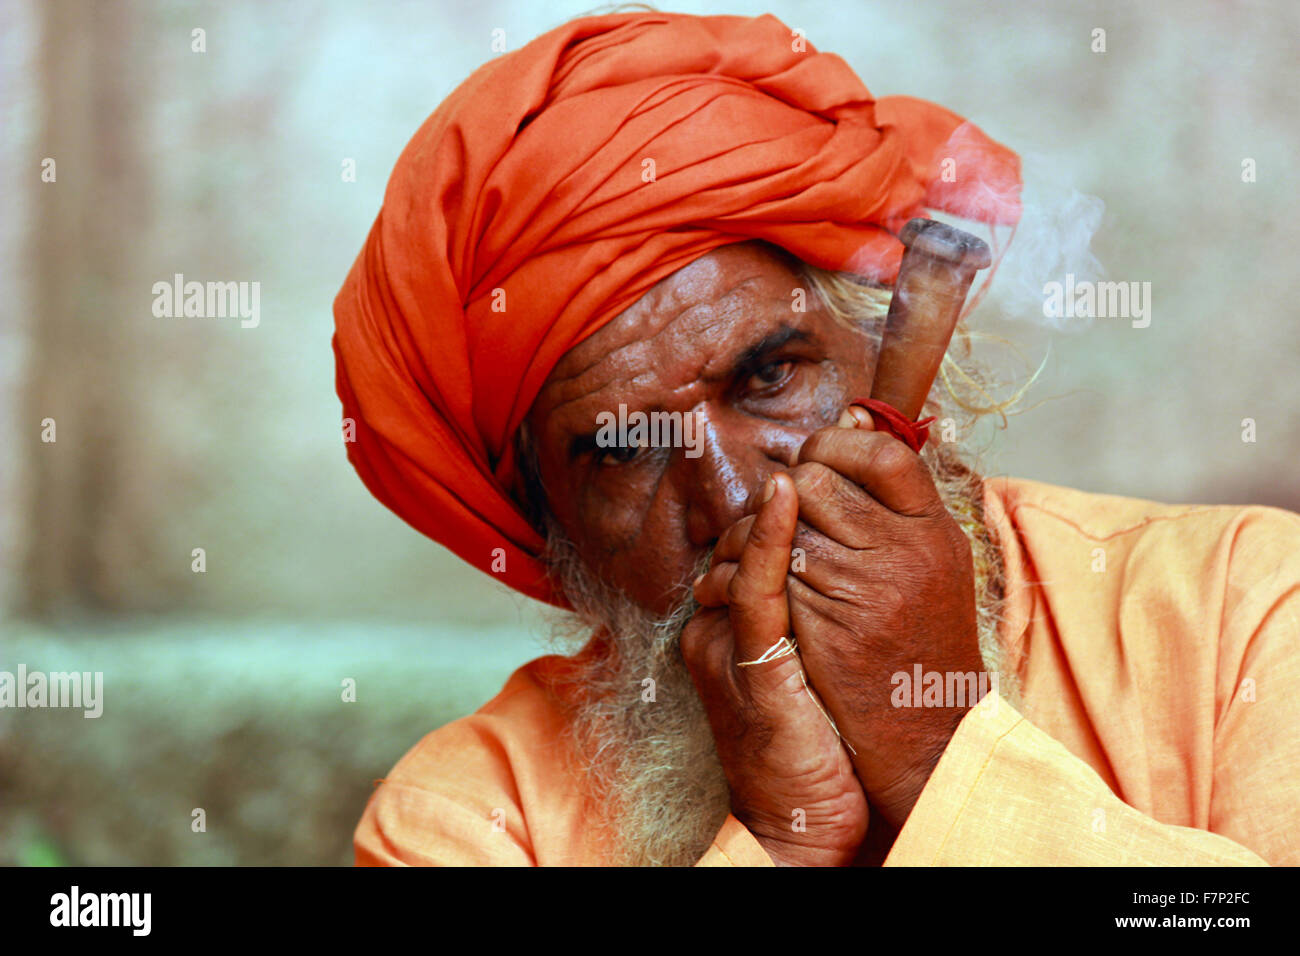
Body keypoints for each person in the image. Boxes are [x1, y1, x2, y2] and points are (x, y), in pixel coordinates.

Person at [333, 10, 1299, 866]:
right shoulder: (465, 821)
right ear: (549, 525)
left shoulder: (1244, 611)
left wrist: (938, 756)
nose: (733, 499)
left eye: (770, 378)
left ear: (883, 351)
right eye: (625, 449)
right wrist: (780, 843)